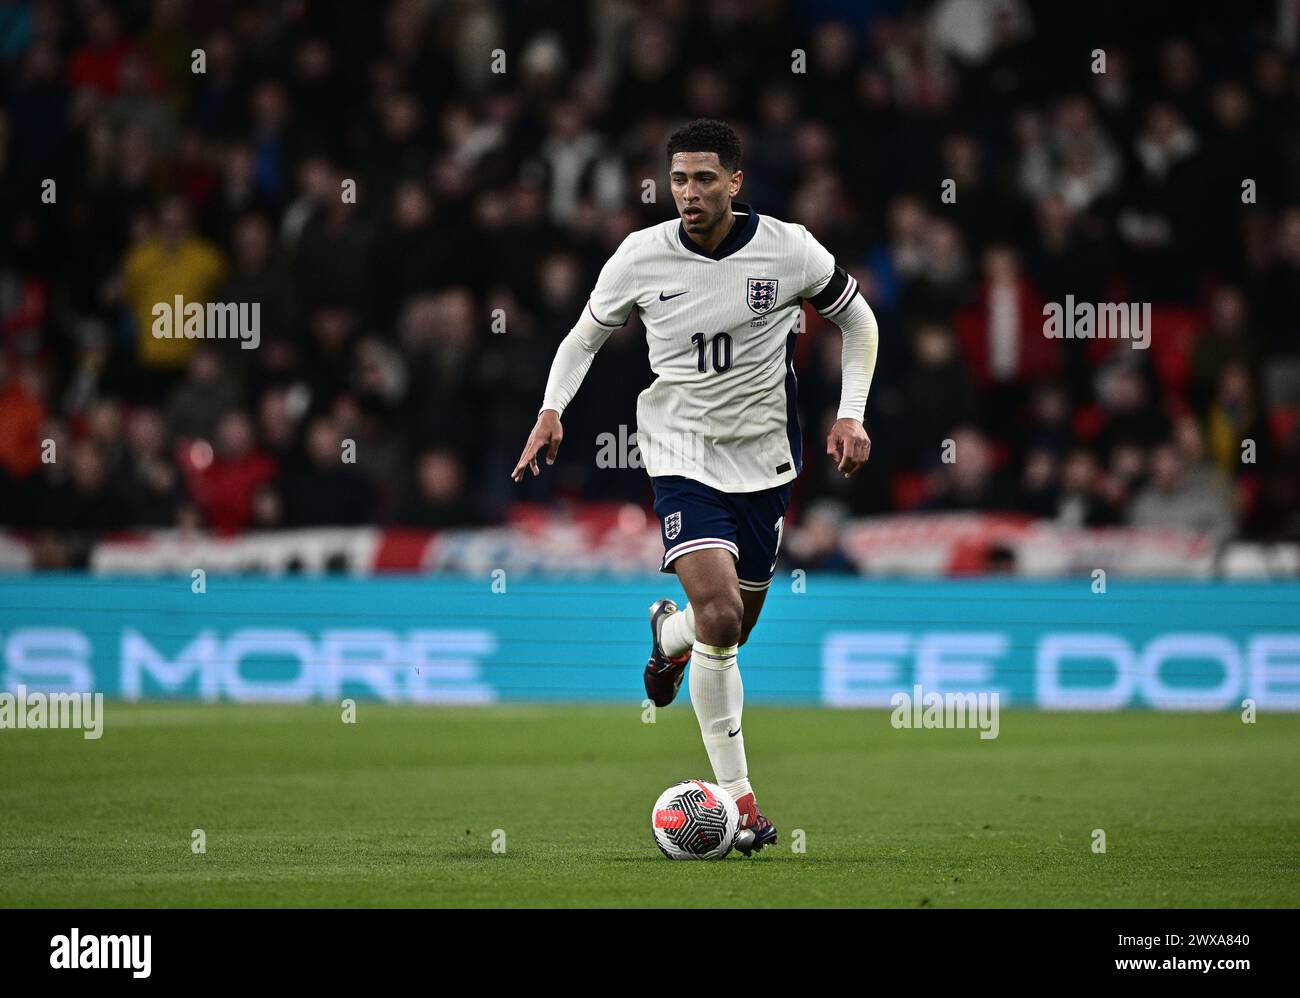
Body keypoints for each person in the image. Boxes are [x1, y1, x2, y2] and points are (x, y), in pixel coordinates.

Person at [511, 119, 879, 854]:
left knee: (726, 627)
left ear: (736, 183)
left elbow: (859, 321)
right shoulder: (641, 257)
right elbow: (582, 337)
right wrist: (552, 410)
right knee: (718, 616)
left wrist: (852, 415)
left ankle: (663, 634)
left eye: (705, 178)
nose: (689, 192)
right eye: (679, 179)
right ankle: (742, 805)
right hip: (679, 453)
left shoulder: (791, 248)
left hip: (767, 462)